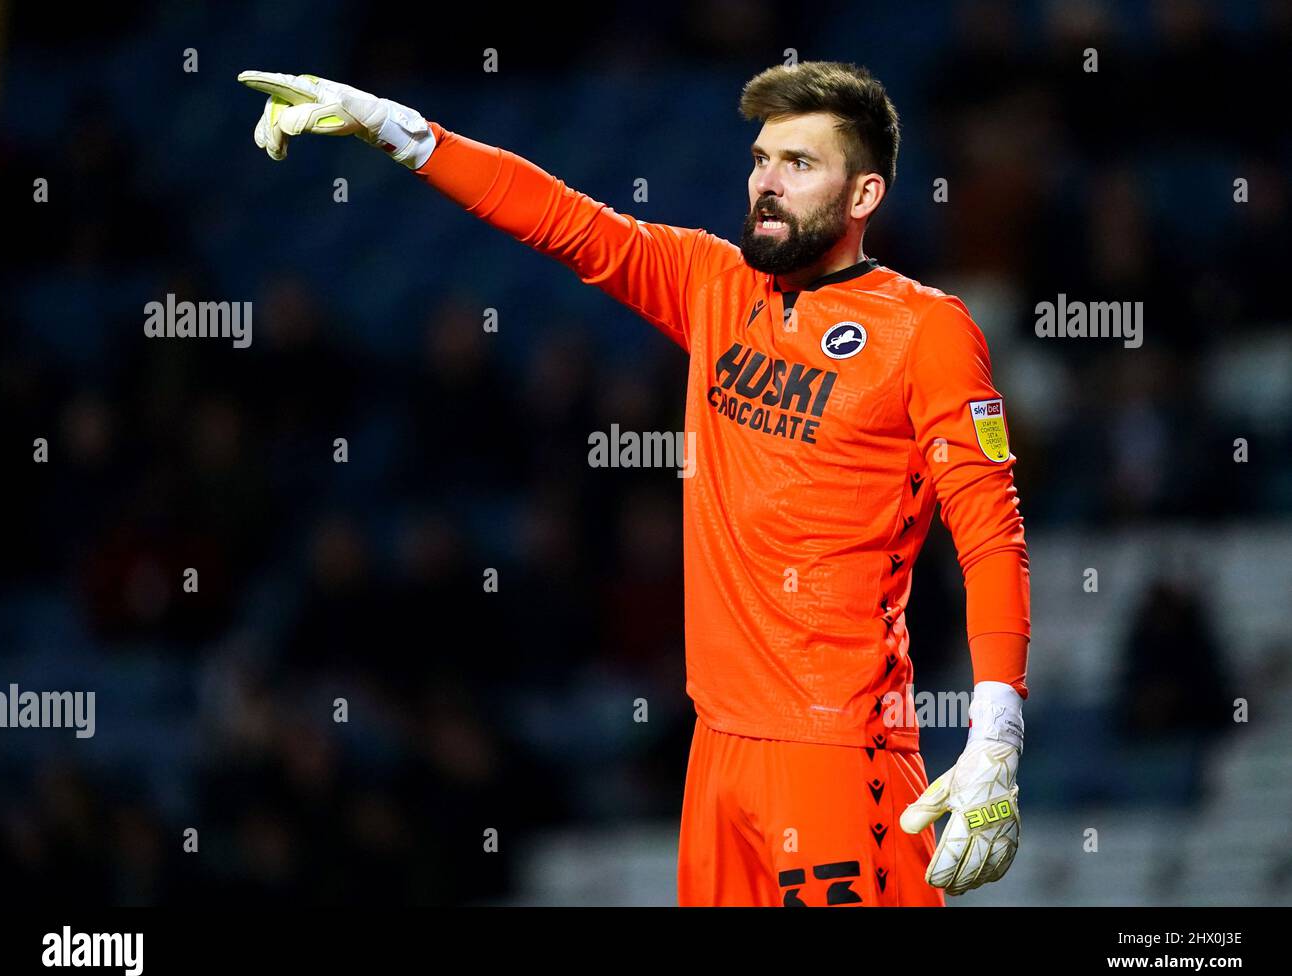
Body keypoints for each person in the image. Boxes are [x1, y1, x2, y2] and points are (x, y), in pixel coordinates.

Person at [238, 60, 1031, 907]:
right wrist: (400, 131)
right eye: (762, 159)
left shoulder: (926, 332)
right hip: (717, 754)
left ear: (864, 194)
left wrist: (996, 736)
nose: (766, 182)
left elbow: (990, 534)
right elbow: (563, 221)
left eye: (799, 164)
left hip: (837, 755)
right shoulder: (714, 286)